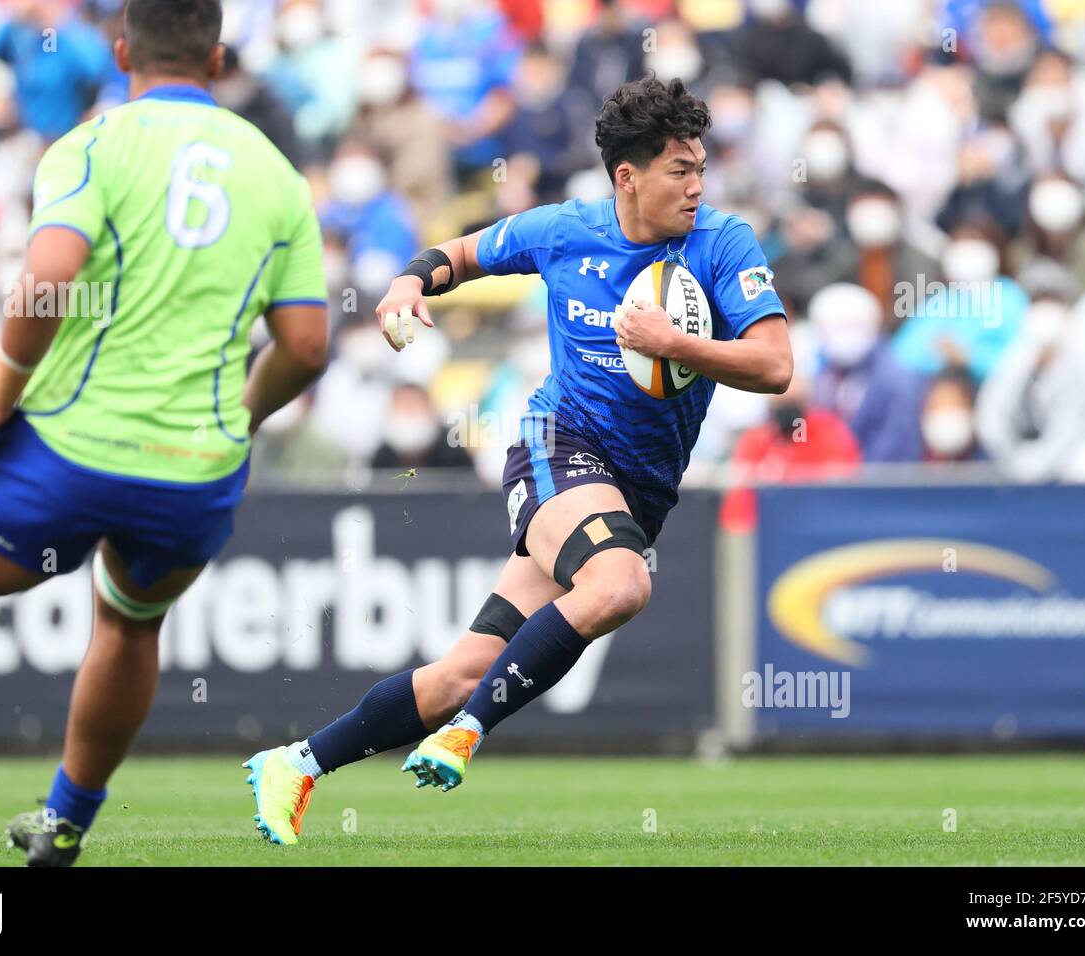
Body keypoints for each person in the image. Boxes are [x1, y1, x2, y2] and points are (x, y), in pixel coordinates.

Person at [242, 76, 792, 846]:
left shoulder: (723, 243)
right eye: (680, 170)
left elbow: (773, 366)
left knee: (460, 673)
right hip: (556, 447)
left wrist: (677, 345)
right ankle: (468, 735)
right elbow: (458, 255)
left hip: (638, 493)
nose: (698, 186)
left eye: (702, 167)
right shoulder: (564, 231)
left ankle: (298, 762)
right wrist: (406, 283)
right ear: (627, 176)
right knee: (620, 582)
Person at [0, 0, 328, 868]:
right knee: (130, 625)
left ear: (119, 53)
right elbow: (305, 345)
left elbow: (49, 275)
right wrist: (241, 417)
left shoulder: (91, 145)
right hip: (196, 468)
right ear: (216, 59)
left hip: (68, 449)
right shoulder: (277, 174)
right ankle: (65, 821)